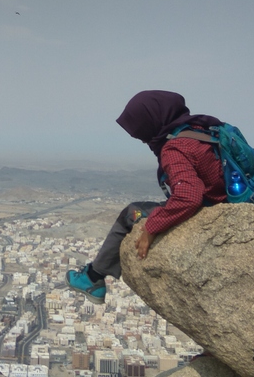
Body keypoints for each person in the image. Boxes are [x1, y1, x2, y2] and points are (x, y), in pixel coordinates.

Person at [65, 90, 226, 304]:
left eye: (141, 131)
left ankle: (93, 278)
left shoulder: (175, 147)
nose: (141, 139)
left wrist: (153, 226)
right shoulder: (200, 130)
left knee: (132, 213)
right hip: (225, 199)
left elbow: (188, 197)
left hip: (208, 206)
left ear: (152, 120)